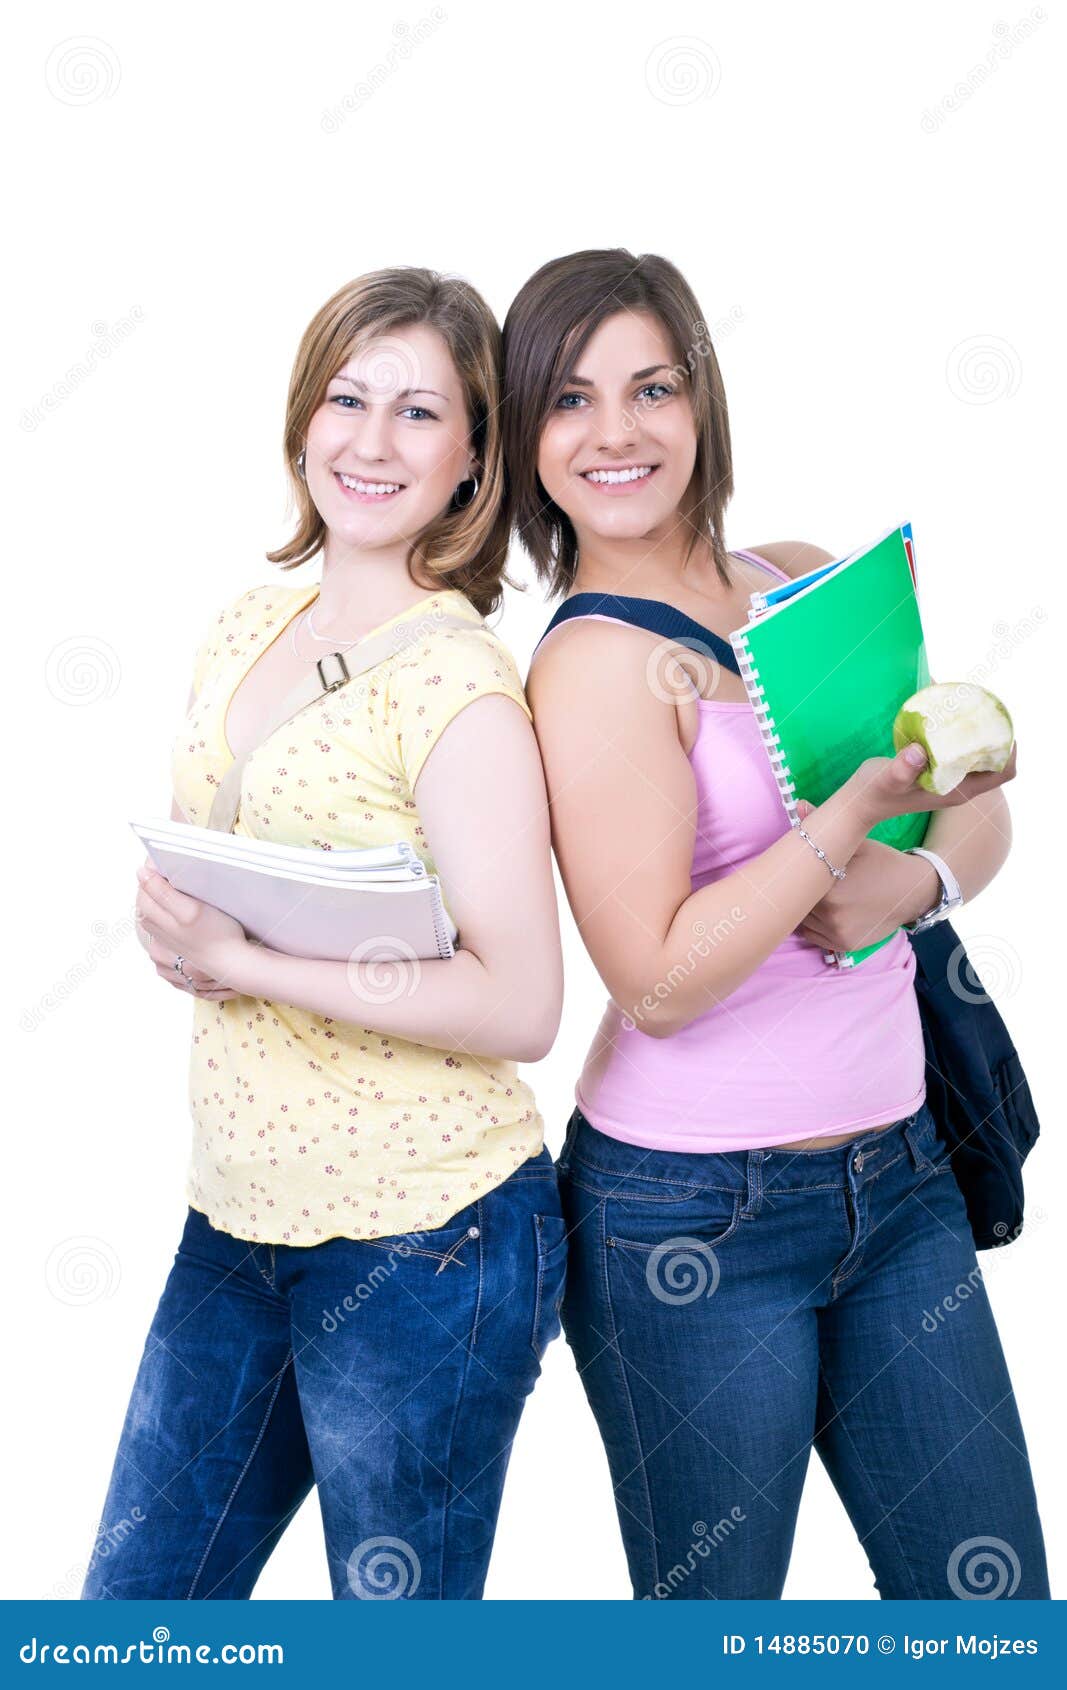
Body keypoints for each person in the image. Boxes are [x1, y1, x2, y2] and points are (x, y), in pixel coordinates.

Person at [503, 247, 1048, 1600]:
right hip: (693, 1219)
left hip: (902, 1183)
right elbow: (659, 980)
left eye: (650, 386)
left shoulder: (801, 576)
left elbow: (976, 794)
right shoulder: (590, 665)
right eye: (570, 401)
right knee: (717, 1641)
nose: (617, 432)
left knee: (991, 1620)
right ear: (524, 436)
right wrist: (841, 830)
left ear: (703, 395)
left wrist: (912, 882)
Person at [82, 267, 566, 1601]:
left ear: (475, 457)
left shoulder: (458, 680)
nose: (370, 440)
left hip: (429, 1238)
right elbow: (229, 857)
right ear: (303, 421)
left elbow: (522, 999)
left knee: (391, 1648)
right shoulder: (248, 623)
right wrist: (177, 927)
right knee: (132, 1625)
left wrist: (243, 962)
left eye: (420, 413)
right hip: (237, 1216)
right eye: (347, 398)